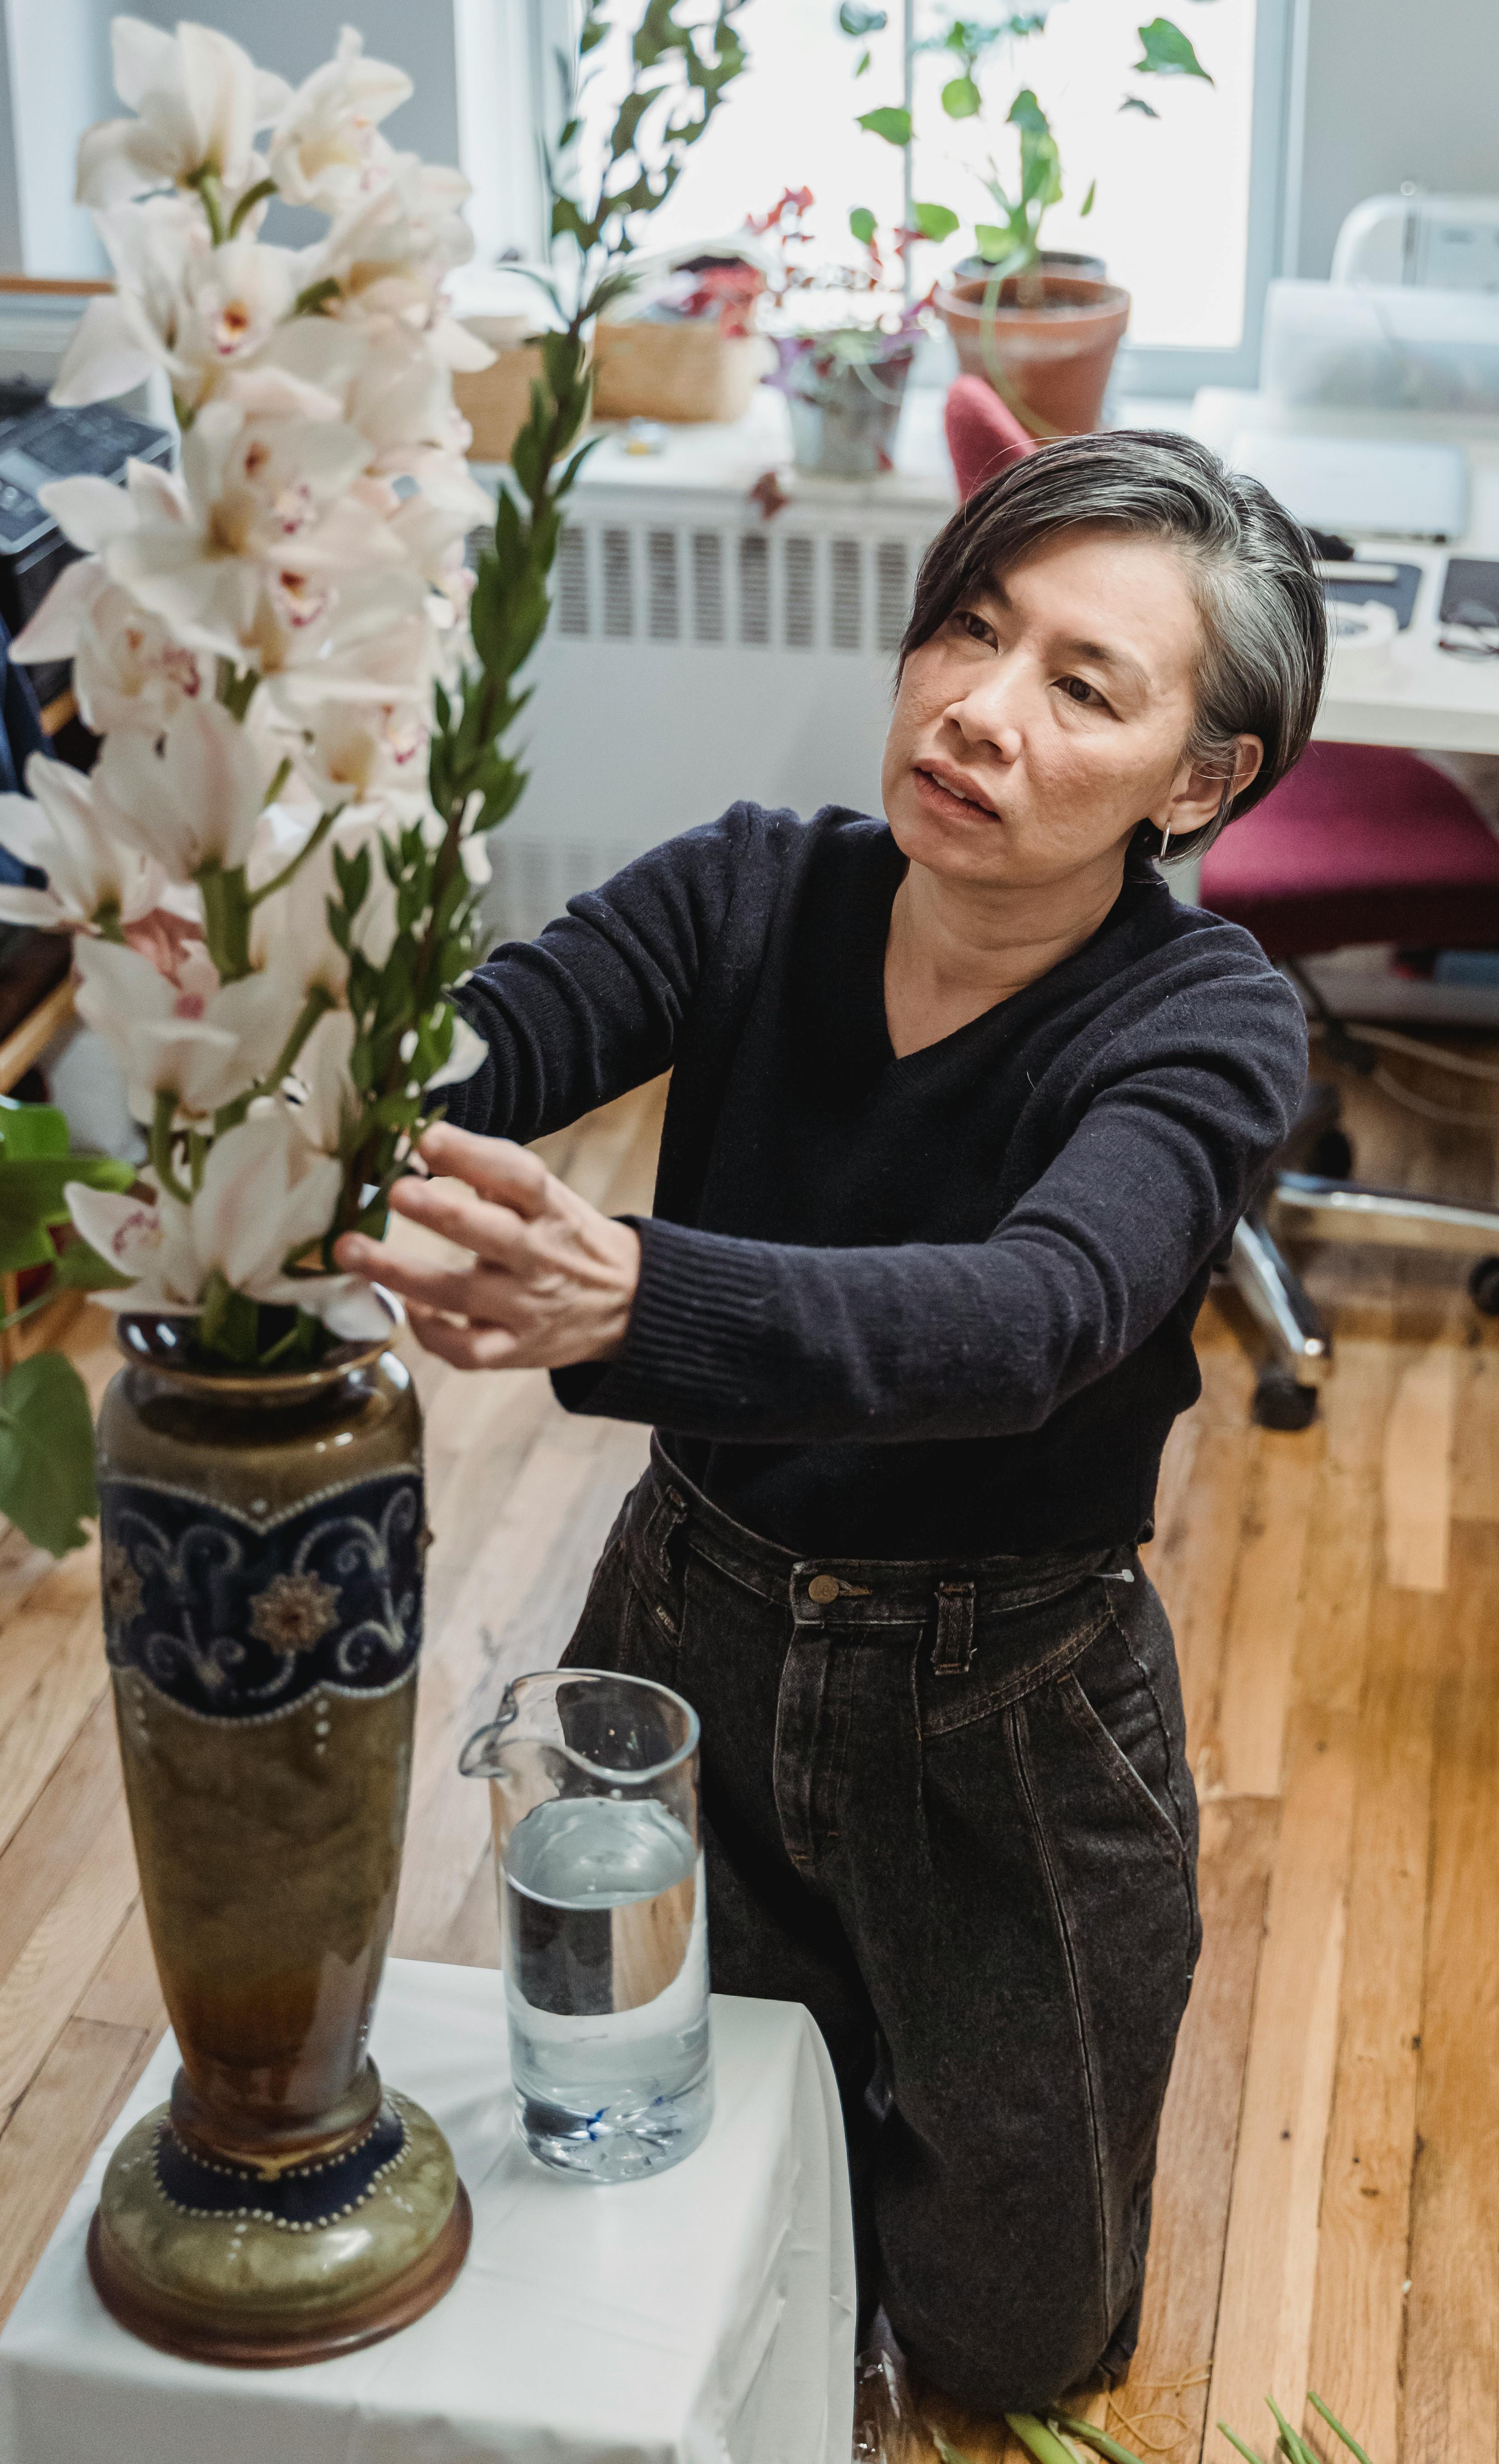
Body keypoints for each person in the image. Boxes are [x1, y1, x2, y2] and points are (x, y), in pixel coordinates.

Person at [336, 428, 1325, 2412]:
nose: (976, 709)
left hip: (1007, 1707)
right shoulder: (749, 890)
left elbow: (1034, 1320)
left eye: (1081, 686)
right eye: (967, 630)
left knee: (1012, 2350)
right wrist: (334, 1035)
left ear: (1199, 781)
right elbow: (497, 1034)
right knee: (656, 2200)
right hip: (681, 1634)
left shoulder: (1205, 1021)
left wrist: (635, 1289)